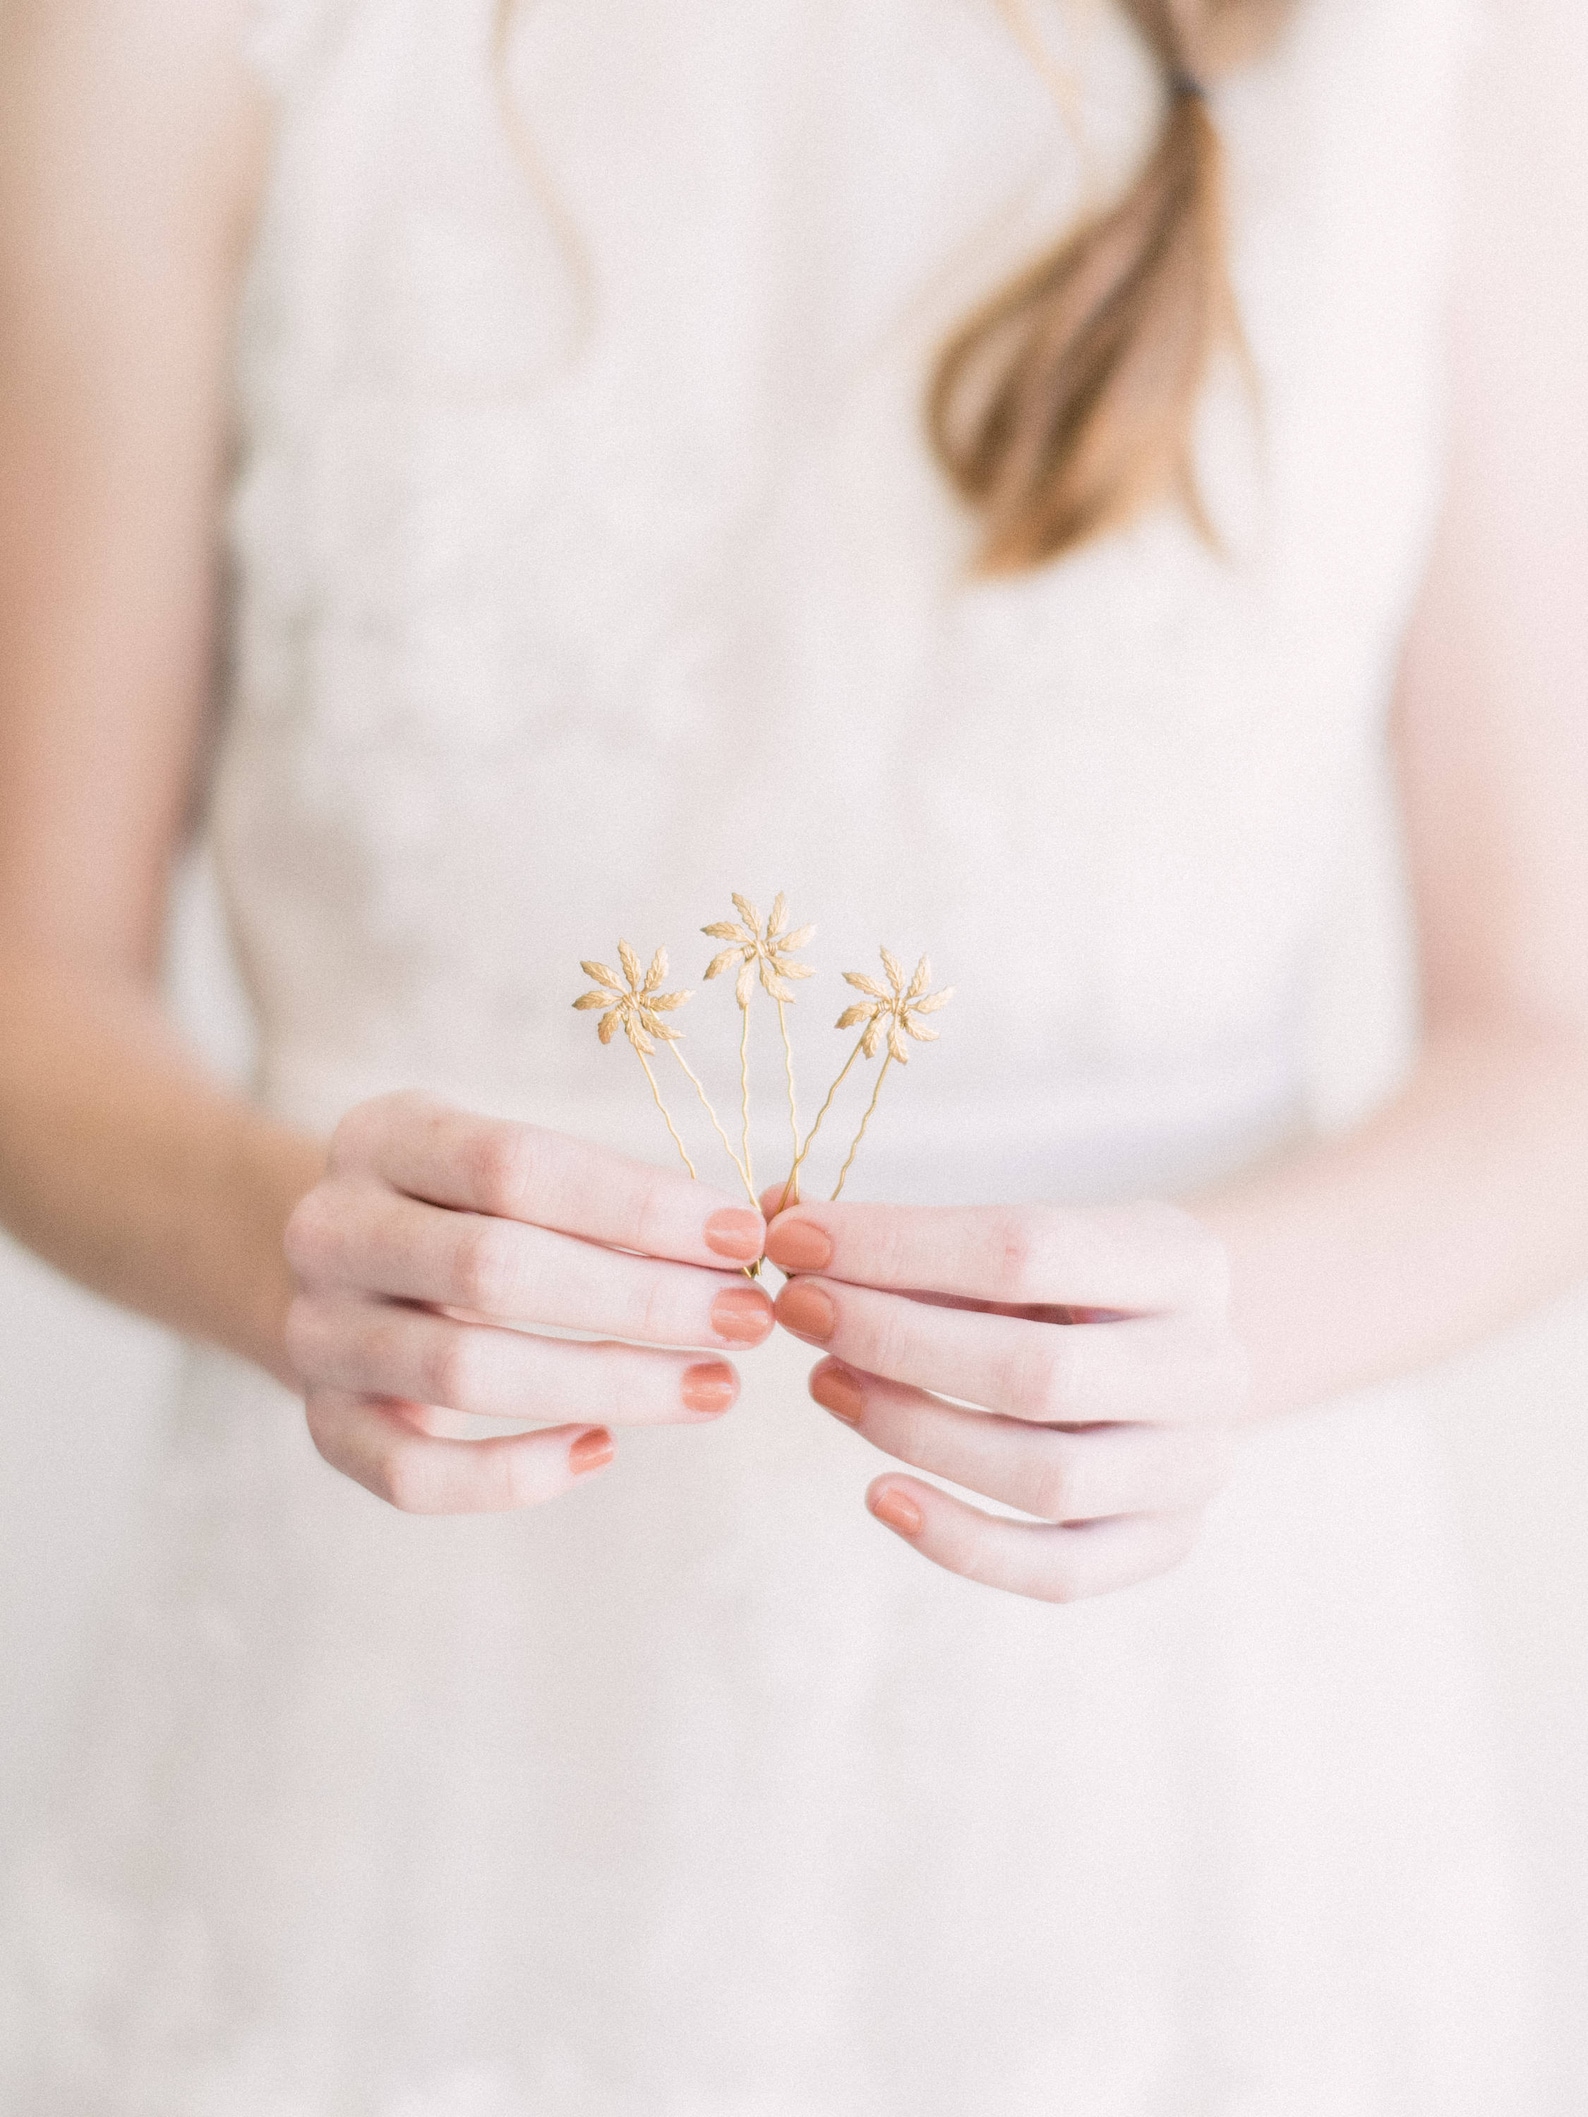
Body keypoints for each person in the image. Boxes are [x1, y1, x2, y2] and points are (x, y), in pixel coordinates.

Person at [0, 0, 1582, 2106]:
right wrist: (286, 1243)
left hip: (1166, 1767)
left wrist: (1214, 1334)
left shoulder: (1417, 48)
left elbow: (1543, 1045)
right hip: (398, 1755)